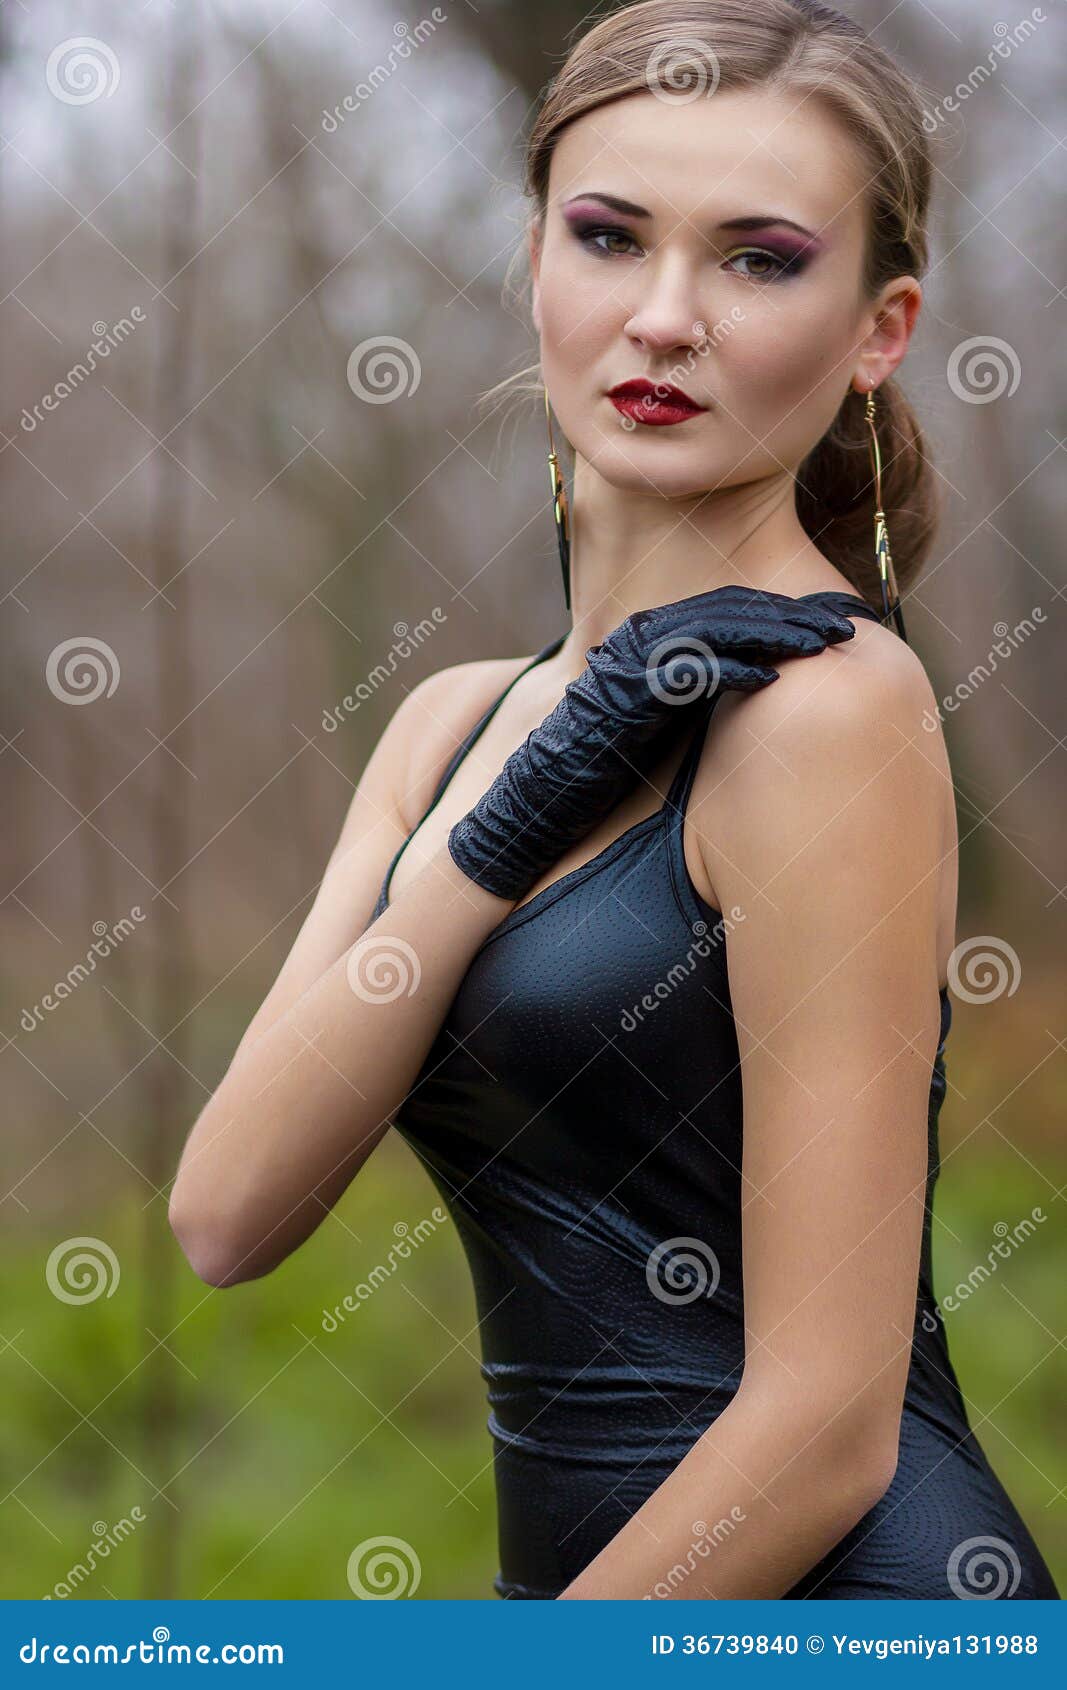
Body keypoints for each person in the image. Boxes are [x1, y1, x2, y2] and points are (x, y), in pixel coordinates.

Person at [169, 0, 1060, 1601]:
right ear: (536, 265)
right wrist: (514, 812)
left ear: (880, 329)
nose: (662, 317)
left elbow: (827, 1424)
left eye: (759, 260)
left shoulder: (829, 711)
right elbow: (228, 1214)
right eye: (608, 237)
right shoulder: (451, 725)